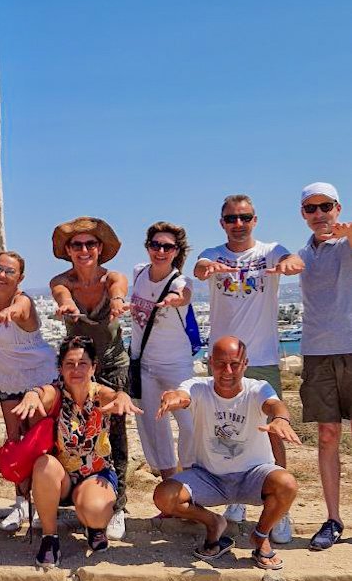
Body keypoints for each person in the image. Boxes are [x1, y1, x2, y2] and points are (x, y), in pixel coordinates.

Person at [193, 194, 304, 541]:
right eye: (231, 218)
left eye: (244, 217)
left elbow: (294, 260)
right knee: (224, 428)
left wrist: (288, 266)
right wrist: (206, 269)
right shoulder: (213, 254)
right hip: (223, 359)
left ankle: (279, 509)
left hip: (264, 356)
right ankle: (235, 498)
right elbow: (199, 268)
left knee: (272, 429)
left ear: (255, 219)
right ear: (221, 222)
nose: (238, 224)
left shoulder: (270, 250)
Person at [154, 337, 301, 570]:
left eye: (235, 364)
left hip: (253, 475)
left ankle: (260, 536)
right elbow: (182, 395)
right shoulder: (198, 387)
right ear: (210, 362)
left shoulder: (258, 388)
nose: (227, 371)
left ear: (245, 364)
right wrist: (172, 398)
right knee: (164, 496)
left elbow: (274, 405)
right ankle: (214, 524)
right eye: (220, 364)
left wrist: (281, 419)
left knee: (287, 484)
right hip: (210, 477)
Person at [12, 336, 142, 565]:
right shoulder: (57, 393)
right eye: (69, 364)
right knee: (43, 464)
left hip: (96, 475)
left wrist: (122, 396)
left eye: (83, 364)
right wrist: (32, 394)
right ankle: (49, 537)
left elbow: (114, 396)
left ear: (93, 368)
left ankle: (93, 526)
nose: (76, 369)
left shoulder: (100, 393)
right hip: (62, 479)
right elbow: (43, 393)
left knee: (95, 510)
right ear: (60, 368)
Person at [49, 217, 130, 540]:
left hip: (111, 366)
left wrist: (120, 302)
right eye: (77, 245)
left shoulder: (113, 278)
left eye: (90, 244)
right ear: (68, 250)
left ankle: (117, 505)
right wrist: (66, 305)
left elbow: (118, 289)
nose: (84, 250)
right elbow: (62, 296)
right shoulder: (62, 281)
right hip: (78, 370)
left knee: (116, 435)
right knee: (71, 432)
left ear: (100, 249)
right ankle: (74, 496)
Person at [0, 250, 57, 532]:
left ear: (20, 278)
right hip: (7, 380)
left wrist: (11, 312)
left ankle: (42, 503)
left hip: (37, 377)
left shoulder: (22, 301)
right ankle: (20, 504)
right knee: (14, 440)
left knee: (37, 443)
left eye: (9, 271)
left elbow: (21, 309)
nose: (2, 274)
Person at [295, 183, 352, 551]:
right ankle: (333, 519)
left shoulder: (346, 244)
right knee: (328, 436)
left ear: (337, 207)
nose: (319, 214)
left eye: (325, 206)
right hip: (316, 352)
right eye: (311, 208)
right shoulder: (303, 254)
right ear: (303, 214)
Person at [129, 222, 196, 481]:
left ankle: (192, 481)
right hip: (143, 363)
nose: (160, 251)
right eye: (155, 245)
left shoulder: (179, 280)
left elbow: (185, 294)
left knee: (189, 424)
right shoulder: (138, 273)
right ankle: (170, 485)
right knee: (152, 427)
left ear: (176, 250)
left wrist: (176, 298)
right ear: (148, 247)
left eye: (167, 246)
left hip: (175, 366)